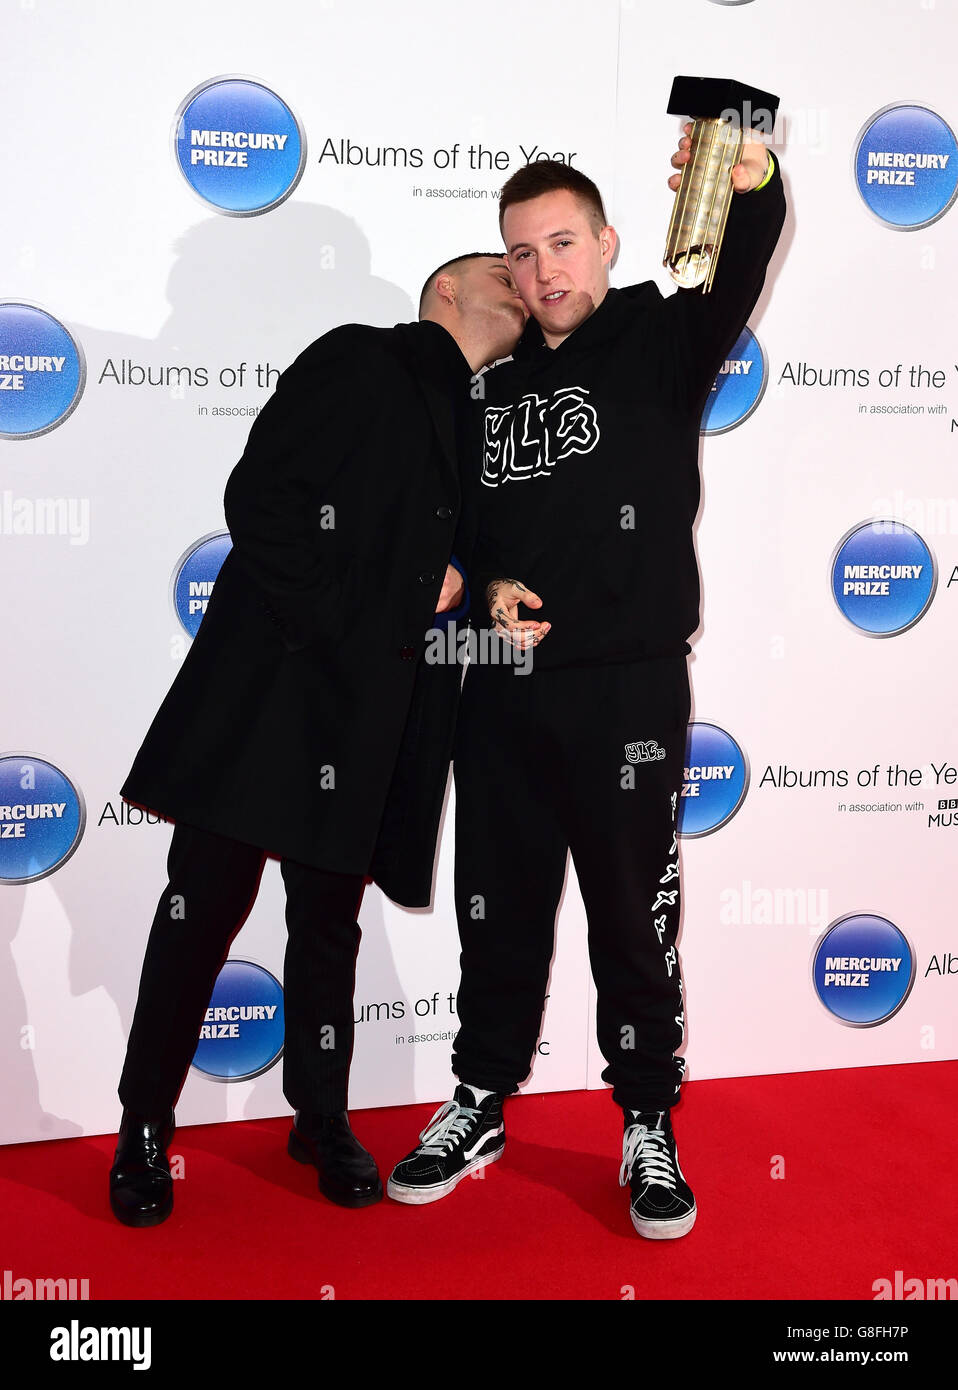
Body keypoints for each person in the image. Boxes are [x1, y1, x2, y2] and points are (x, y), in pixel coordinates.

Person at [387, 126, 786, 1238]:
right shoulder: (484, 381)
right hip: (501, 689)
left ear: (607, 245)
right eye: (519, 254)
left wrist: (751, 186)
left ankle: (646, 1118)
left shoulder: (663, 334)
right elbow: (455, 533)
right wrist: (477, 588)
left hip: (626, 689)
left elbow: (741, 254)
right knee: (495, 914)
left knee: (630, 916)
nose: (542, 269)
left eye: (562, 242)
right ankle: (479, 1098)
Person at [109, 253, 527, 1226]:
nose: (518, 281)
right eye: (496, 272)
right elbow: (260, 501)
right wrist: (375, 604)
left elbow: (465, 564)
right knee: (199, 911)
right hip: (271, 697)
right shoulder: (360, 358)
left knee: (328, 928)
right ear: (443, 296)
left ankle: (321, 1118)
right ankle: (142, 1125)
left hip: (371, 719)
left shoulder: (483, 418)